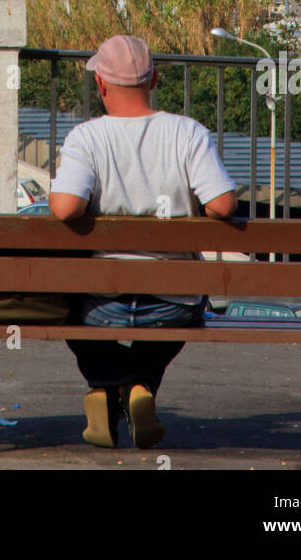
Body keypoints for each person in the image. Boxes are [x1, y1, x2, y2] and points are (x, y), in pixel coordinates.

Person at [49, 34, 237, 450]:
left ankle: (106, 383)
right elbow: (223, 205)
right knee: (187, 308)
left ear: (100, 85)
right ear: (153, 81)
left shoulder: (87, 137)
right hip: (173, 304)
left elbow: (64, 208)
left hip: (103, 303)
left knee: (63, 305)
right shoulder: (187, 133)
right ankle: (139, 383)